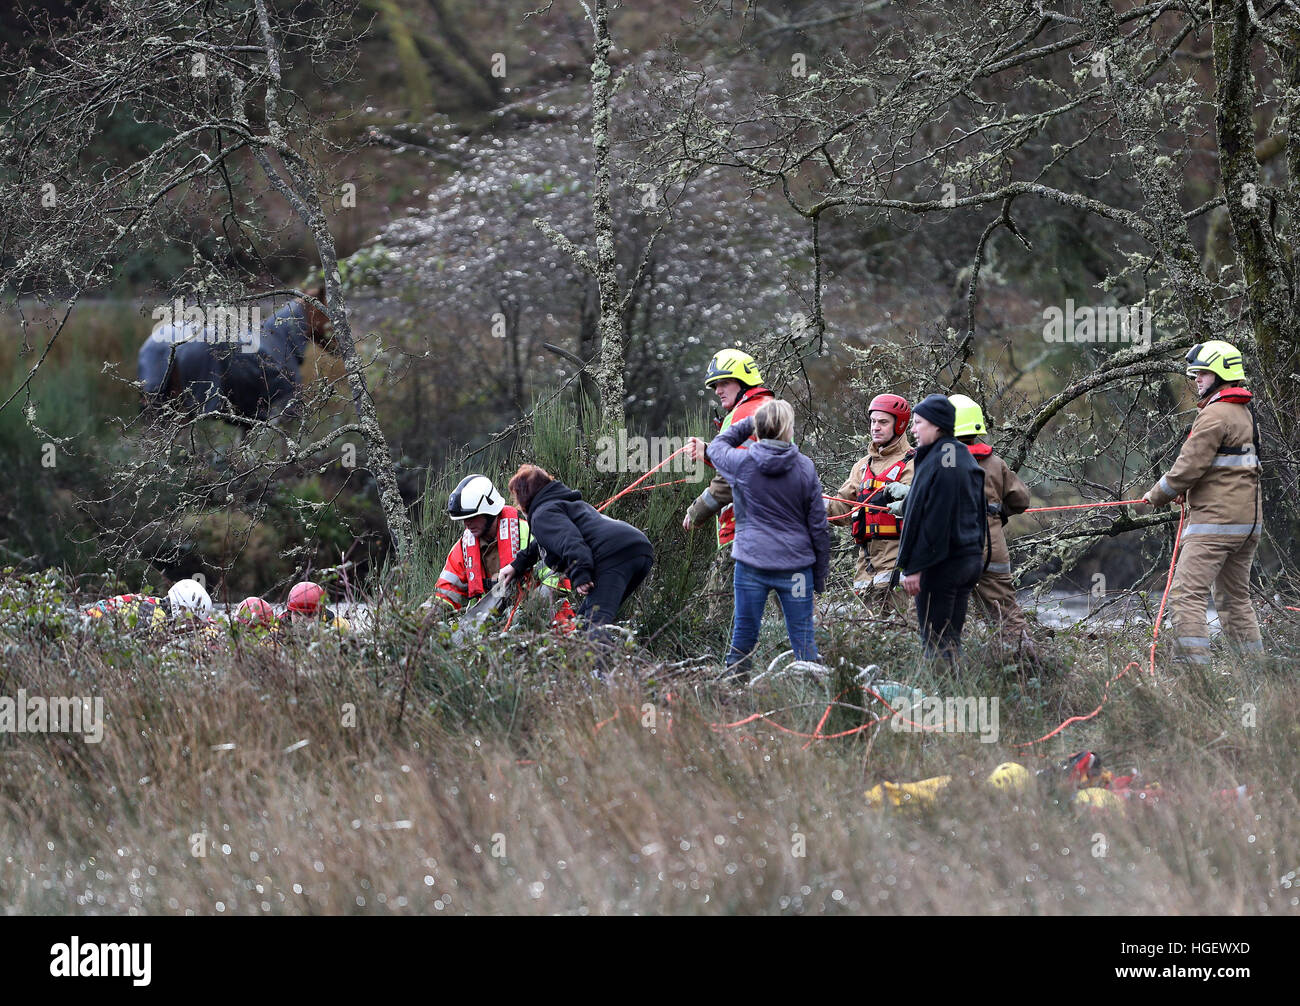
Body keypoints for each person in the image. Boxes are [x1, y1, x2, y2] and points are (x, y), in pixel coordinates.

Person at [1142, 340, 1264, 667]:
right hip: (1247, 526)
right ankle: (1256, 676)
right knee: (1235, 600)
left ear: (1221, 375)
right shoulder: (1244, 414)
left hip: (1215, 526)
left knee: (1186, 595)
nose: (1196, 379)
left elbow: (1187, 467)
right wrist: (1189, 489)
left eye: (1203, 373)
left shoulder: (1213, 415)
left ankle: (1193, 675)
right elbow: (1223, 470)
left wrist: (1158, 495)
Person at [705, 399, 830, 679]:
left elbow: (715, 447)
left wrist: (750, 422)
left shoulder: (742, 463)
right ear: (788, 429)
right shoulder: (805, 468)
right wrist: (819, 576)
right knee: (803, 639)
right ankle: (811, 700)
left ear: (758, 429)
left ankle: (732, 694)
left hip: (751, 565)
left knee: (744, 635)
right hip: (797, 569)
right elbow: (819, 527)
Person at [505, 464, 654, 644]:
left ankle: (605, 672)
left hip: (615, 554)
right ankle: (614, 667)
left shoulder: (542, 514)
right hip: (636, 549)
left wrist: (580, 573)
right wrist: (517, 564)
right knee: (584, 622)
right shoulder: (559, 504)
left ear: (524, 499)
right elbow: (549, 540)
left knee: (593, 626)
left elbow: (569, 540)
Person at [894, 394, 988, 667]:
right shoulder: (960, 456)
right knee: (950, 640)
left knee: (935, 642)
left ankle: (941, 699)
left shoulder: (942, 461)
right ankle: (955, 694)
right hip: (967, 560)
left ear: (936, 425)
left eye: (918, 423)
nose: (913, 429)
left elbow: (935, 519)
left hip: (943, 565)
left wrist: (914, 567)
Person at [948, 394, 1038, 661]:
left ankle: (950, 672)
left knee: (941, 614)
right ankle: (1027, 666)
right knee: (1006, 615)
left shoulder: (940, 462)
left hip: (953, 549)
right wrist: (997, 513)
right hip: (992, 549)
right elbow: (1021, 499)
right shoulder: (995, 463)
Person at [428, 474, 575, 632]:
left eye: (472, 517)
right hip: (497, 635)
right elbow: (445, 594)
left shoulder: (528, 533)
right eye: (464, 519)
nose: (467, 523)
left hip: (552, 629)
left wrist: (530, 609)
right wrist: (419, 619)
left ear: (490, 511)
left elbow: (560, 577)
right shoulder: (463, 549)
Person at [825, 393, 915, 621]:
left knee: (900, 627)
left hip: (899, 558)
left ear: (900, 424)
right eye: (873, 421)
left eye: (883, 422)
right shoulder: (862, 466)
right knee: (866, 628)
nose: (876, 427)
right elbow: (841, 508)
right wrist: (809, 504)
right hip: (865, 564)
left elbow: (920, 508)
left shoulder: (914, 462)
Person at [682, 349, 775, 549]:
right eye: (715, 385)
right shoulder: (769, 409)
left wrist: (696, 511)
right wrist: (707, 451)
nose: (717, 390)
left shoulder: (745, 413)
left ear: (743, 381)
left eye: (724, 382)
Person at [85, 577, 214, 632]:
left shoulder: (155, 606)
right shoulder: (150, 613)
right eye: (193, 619)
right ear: (181, 608)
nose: (193, 627)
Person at [286, 580, 351, 631]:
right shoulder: (278, 630)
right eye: (297, 613)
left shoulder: (339, 627)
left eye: (309, 614)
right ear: (290, 613)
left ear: (321, 615)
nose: (302, 619)